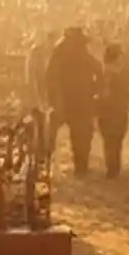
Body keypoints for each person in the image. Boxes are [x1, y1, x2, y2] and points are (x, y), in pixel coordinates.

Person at [45, 27, 102, 176]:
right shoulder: (81, 54)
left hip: (65, 100)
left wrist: (53, 99)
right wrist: (95, 90)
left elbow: (50, 78)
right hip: (79, 100)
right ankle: (80, 168)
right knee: (81, 137)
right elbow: (98, 70)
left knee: (52, 137)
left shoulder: (59, 53)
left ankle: (46, 165)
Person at [97, 44, 129, 178]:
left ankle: (112, 167)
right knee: (115, 141)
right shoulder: (117, 75)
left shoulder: (104, 73)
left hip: (108, 113)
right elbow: (128, 92)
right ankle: (113, 168)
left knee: (111, 142)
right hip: (115, 112)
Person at [26, 32, 56, 109]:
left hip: (43, 76)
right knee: (40, 93)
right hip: (39, 76)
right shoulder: (35, 51)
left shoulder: (43, 50)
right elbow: (31, 67)